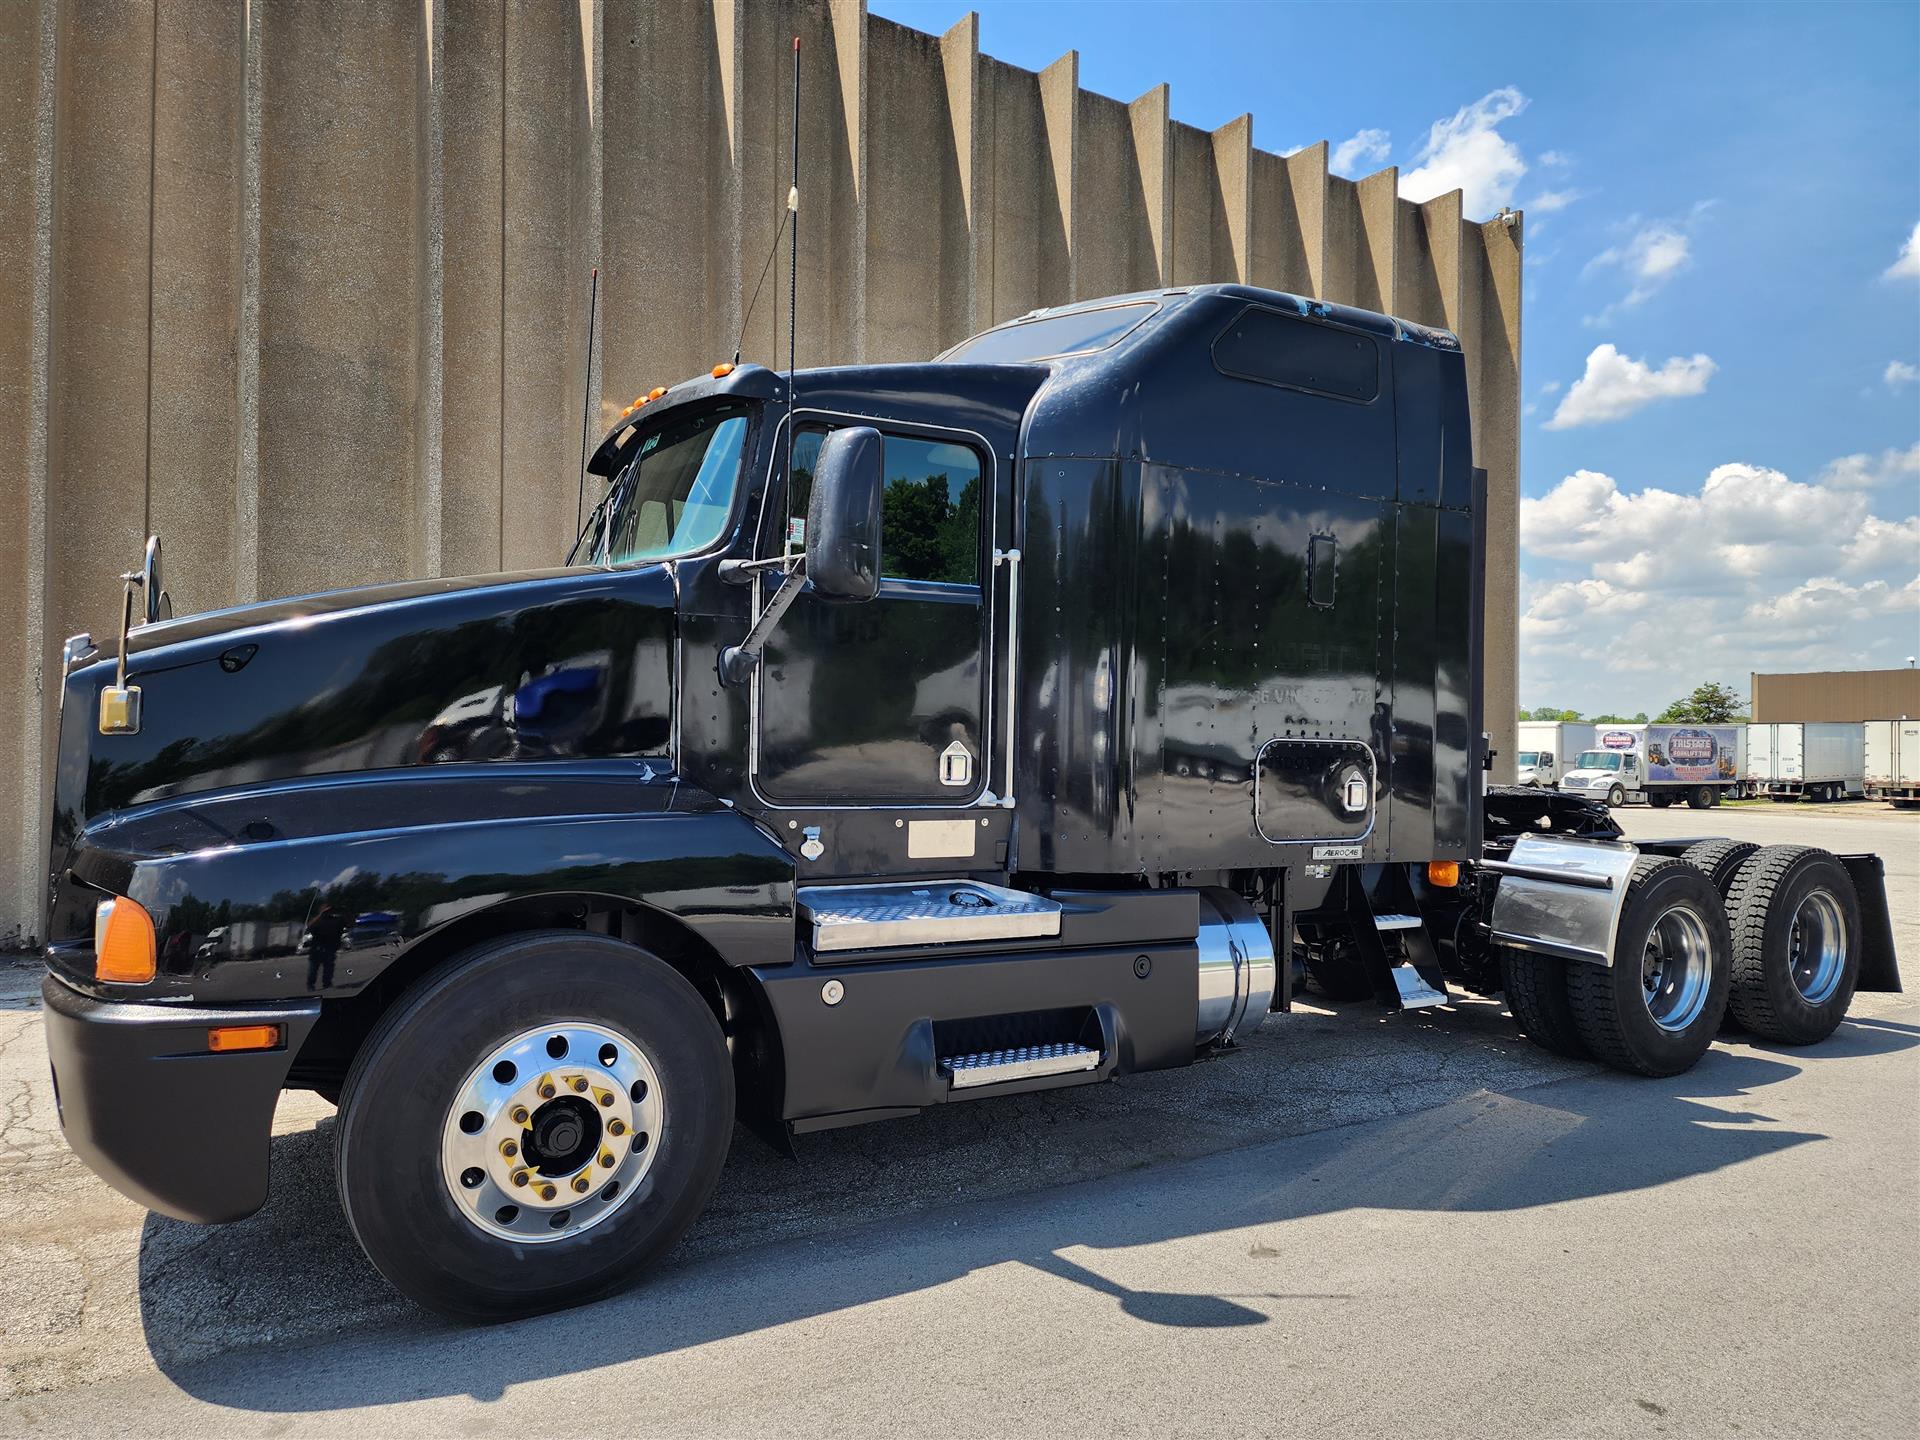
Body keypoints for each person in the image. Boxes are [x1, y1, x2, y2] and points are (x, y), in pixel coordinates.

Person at [304, 902, 345, 992]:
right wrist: (320, 914)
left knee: (329, 967)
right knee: (313, 969)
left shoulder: (336, 920)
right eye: (326, 910)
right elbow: (308, 927)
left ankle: (327, 983)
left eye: (330, 910)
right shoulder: (317, 920)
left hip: (330, 947)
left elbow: (348, 924)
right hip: (317, 948)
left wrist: (344, 911)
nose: (328, 912)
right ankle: (310, 985)